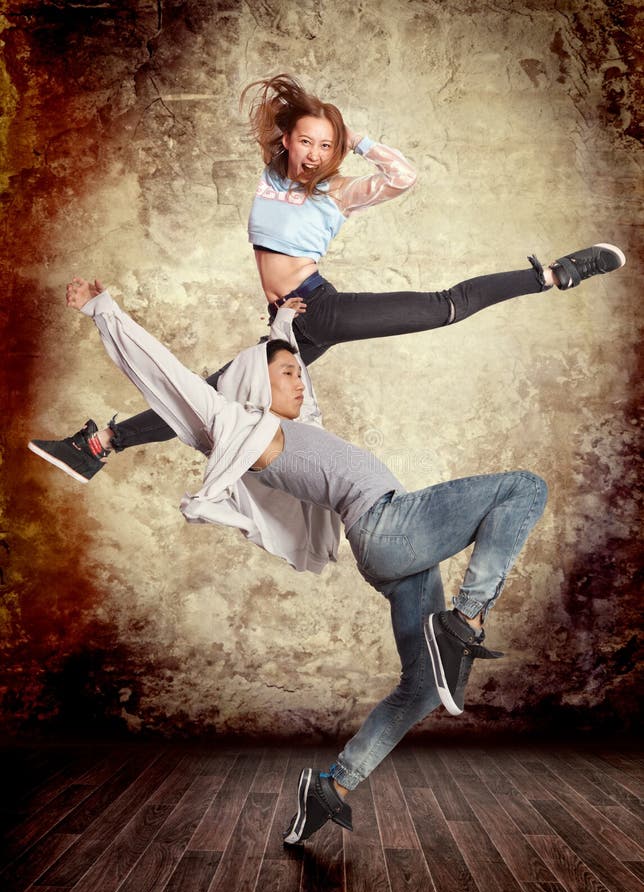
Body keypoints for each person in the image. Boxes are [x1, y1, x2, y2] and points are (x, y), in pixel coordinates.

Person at [64, 274, 548, 844]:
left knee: (421, 687)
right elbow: (166, 376)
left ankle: (331, 789)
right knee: (524, 486)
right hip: (388, 524)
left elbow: (301, 386)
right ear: (252, 386)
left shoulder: (300, 428)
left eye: (299, 372)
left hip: (394, 554)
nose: (301, 380)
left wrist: (283, 329)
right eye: (287, 374)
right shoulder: (240, 424)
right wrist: (104, 311)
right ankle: (465, 621)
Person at [27, 73, 626, 482]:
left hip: (319, 306)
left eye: (326, 145)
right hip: (287, 322)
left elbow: (404, 177)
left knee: (447, 305)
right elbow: (282, 136)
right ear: (286, 141)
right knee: (213, 397)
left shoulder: (339, 194)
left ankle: (557, 274)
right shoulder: (273, 178)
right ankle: (98, 447)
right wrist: (308, 123)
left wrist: (356, 137)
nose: (314, 153)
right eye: (305, 141)